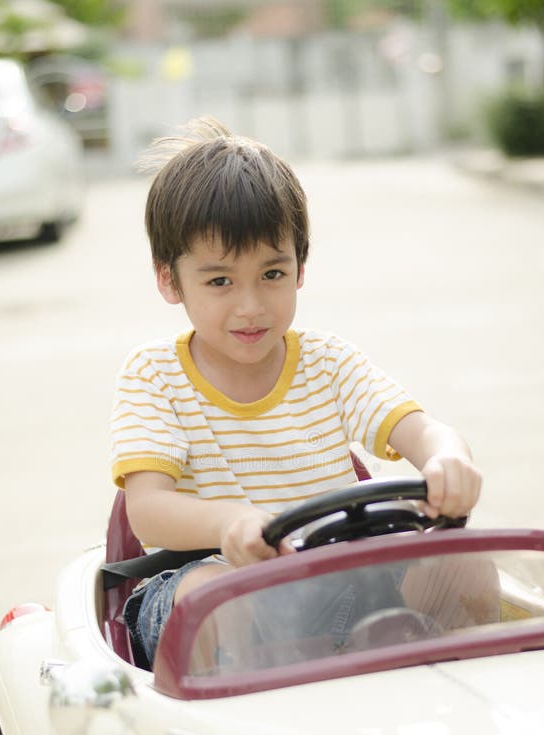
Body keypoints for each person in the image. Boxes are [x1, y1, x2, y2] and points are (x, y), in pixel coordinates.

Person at [111, 117, 482, 664]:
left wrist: (448, 458)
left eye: (272, 274)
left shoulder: (327, 363)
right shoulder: (155, 375)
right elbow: (147, 509)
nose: (251, 306)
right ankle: (243, 728)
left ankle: (453, 698)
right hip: (208, 577)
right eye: (219, 281)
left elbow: (419, 429)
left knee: (464, 562)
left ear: (300, 268)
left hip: (335, 575)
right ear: (169, 279)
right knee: (215, 598)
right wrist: (231, 522)